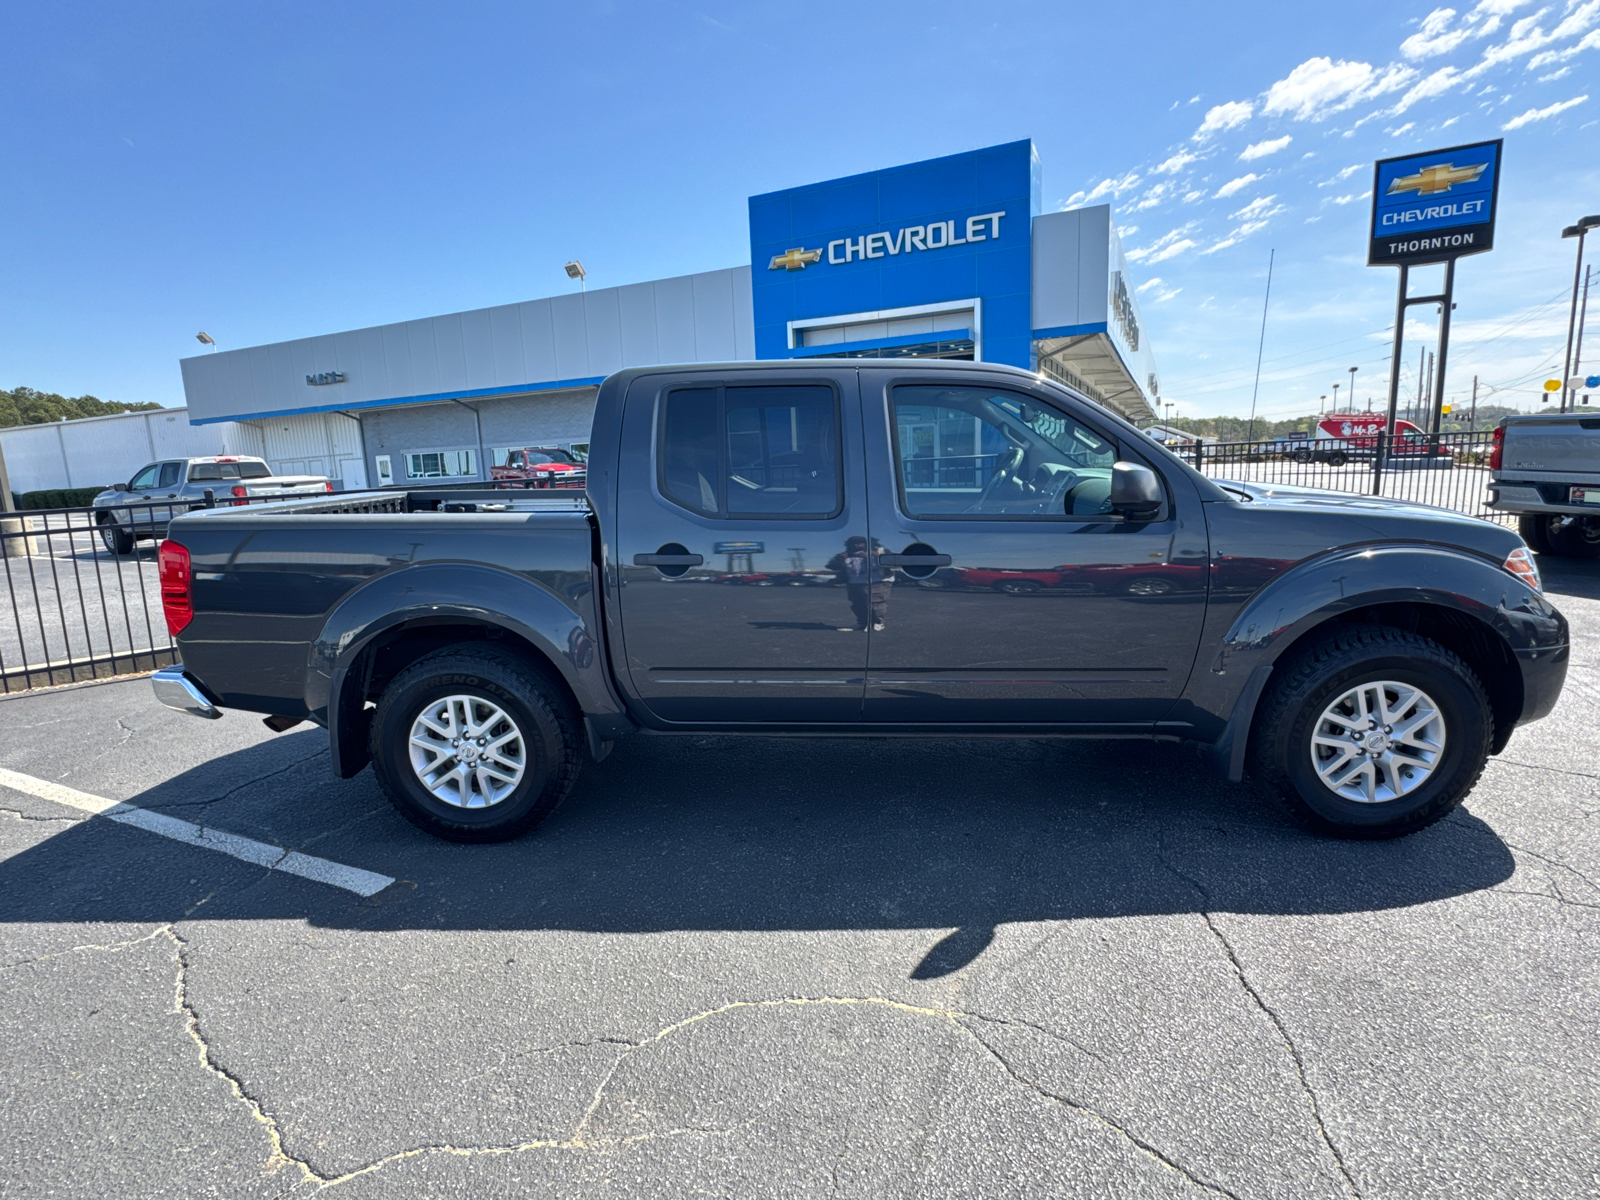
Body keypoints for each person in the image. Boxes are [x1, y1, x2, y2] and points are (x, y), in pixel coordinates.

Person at [826, 535, 893, 632]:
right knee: (858, 604)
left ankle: (878, 622)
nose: (857, 545)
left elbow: (893, 562)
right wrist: (841, 558)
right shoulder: (845, 555)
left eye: (860, 543)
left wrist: (876, 555)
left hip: (876, 582)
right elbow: (831, 566)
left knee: (876, 604)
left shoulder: (880, 551)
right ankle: (862, 623)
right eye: (854, 544)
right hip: (854, 583)